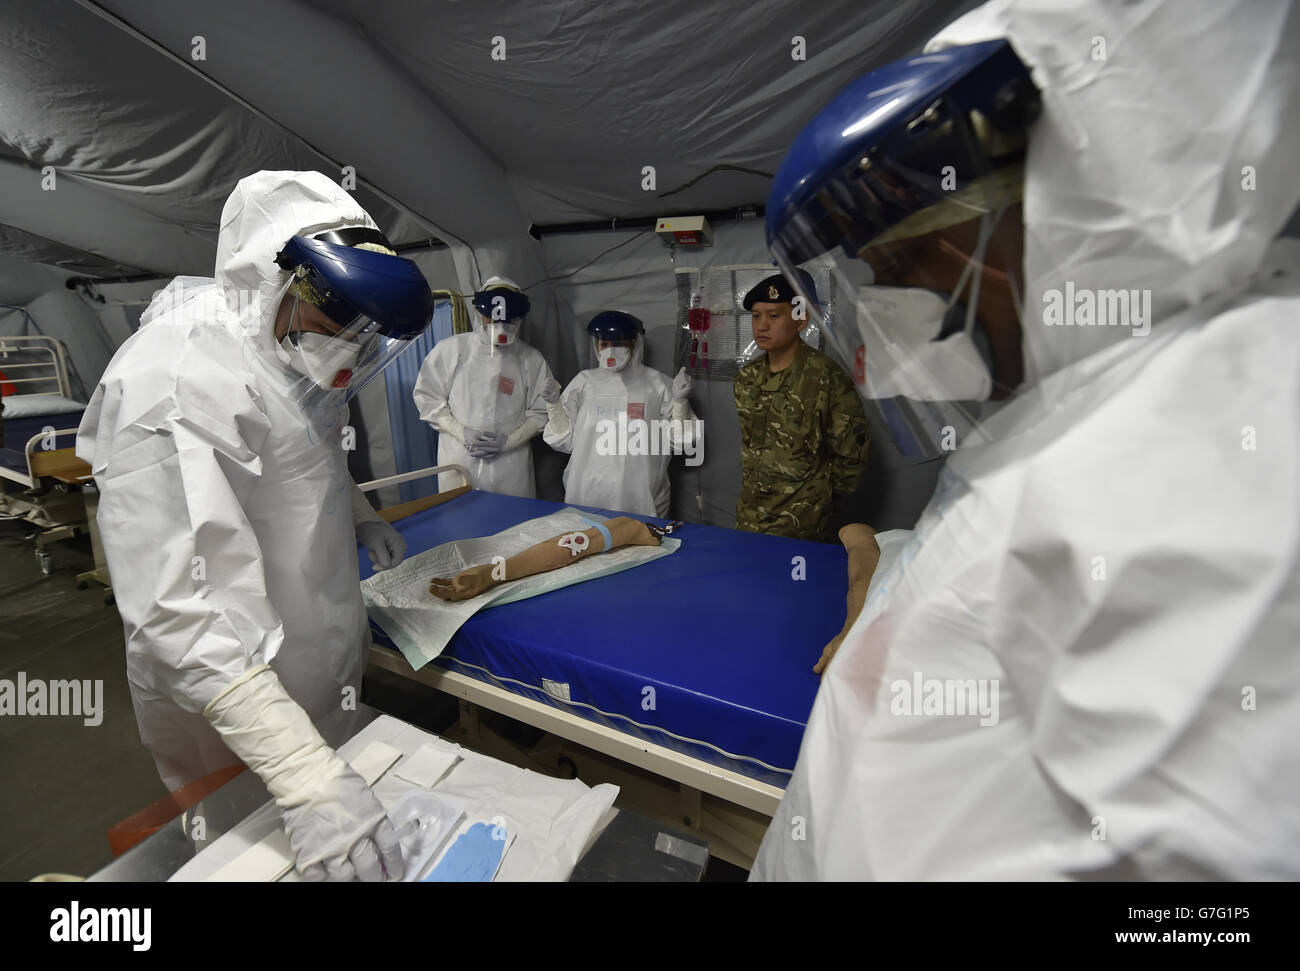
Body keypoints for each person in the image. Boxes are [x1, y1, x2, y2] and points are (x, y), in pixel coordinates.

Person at [752, 0, 1300, 881]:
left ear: (1050, 199)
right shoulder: (1067, 412)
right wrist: (878, 556)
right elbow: (979, 579)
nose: (900, 314)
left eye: (904, 265)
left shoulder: (1203, 439)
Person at [77, 170, 437, 882]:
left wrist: (359, 512)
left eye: (369, 335)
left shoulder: (296, 340)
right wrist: (303, 772)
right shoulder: (175, 382)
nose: (355, 348)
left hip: (313, 645)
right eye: (347, 324)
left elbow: (308, 451)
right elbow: (178, 613)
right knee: (243, 853)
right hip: (227, 698)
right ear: (283, 281)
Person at [733, 273, 869, 542]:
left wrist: (822, 499)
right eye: (756, 316)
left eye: (773, 316)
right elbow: (752, 450)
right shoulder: (746, 378)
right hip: (750, 517)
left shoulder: (825, 378)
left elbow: (851, 456)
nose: (761, 326)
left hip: (802, 524)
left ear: (801, 319)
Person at [542, 310, 695, 517]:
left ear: (634, 343)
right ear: (596, 345)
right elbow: (565, 441)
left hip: (640, 496)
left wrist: (679, 402)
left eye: (620, 343)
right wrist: (553, 405)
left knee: (642, 545)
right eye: (605, 344)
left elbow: (682, 442)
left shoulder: (658, 385)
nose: (611, 351)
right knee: (586, 544)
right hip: (586, 490)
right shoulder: (584, 382)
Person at [412, 276, 555, 497]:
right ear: (480, 314)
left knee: (515, 525)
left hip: (510, 466)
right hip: (460, 459)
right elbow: (428, 398)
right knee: (461, 522)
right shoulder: (452, 350)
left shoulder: (531, 359)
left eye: (509, 320)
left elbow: (542, 412)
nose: (500, 326)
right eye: (492, 318)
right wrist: (461, 432)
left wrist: (509, 442)